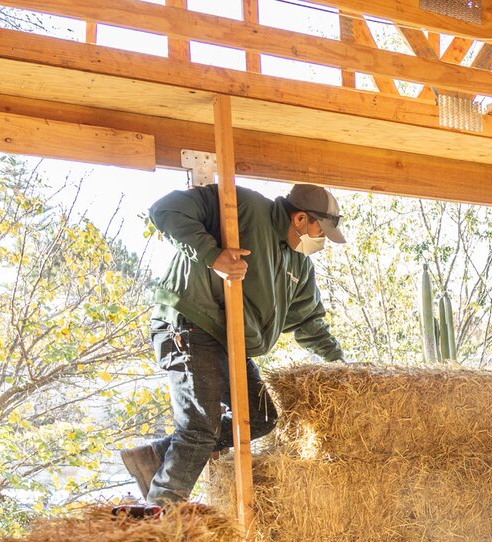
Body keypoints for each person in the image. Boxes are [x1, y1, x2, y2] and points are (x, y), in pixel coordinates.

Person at [120, 182, 347, 504]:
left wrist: (345, 368)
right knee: (199, 428)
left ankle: (154, 455)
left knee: (262, 416)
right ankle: (161, 512)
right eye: (320, 230)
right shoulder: (243, 207)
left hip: (230, 341)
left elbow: (308, 321)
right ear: (299, 219)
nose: (322, 240)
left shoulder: (298, 263)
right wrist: (213, 256)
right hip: (192, 324)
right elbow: (166, 209)